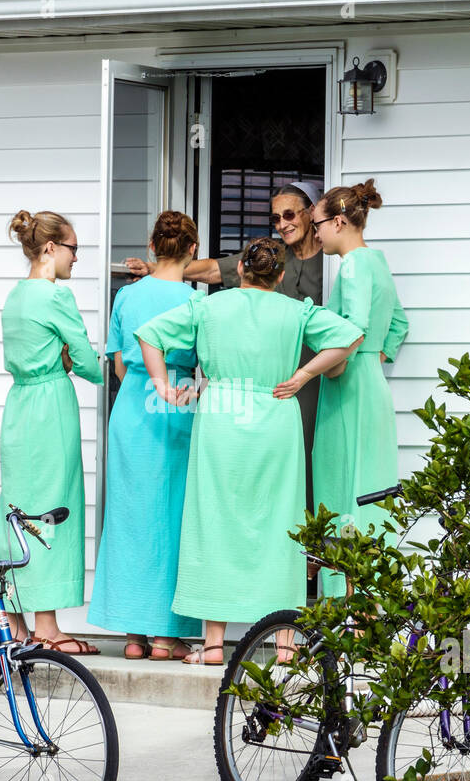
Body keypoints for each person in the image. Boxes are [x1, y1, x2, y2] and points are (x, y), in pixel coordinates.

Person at [135, 238, 363, 665]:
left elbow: (150, 335)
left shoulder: (207, 307)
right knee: (280, 522)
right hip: (276, 414)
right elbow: (349, 337)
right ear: (279, 276)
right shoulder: (296, 310)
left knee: (214, 520)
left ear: (239, 269)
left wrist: (165, 387)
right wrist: (303, 375)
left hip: (222, 415)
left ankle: (216, 644)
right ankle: (285, 646)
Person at [125, 182, 326, 512]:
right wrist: (159, 269)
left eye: (289, 214)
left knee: (313, 455)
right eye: (275, 218)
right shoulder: (270, 258)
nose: (282, 224)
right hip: (269, 380)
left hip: (314, 378)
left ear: (310, 213)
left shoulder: (331, 259)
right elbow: (214, 269)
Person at [88, 211, 203, 661]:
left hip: (132, 406)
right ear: (192, 250)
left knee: (131, 517)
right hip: (175, 401)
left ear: (153, 248)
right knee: (171, 518)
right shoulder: (197, 303)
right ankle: (165, 636)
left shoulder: (126, 296)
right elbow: (205, 367)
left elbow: (117, 366)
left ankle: (134, 634)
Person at [0, 209, 104, 654]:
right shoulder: (55, 298)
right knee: (53, 509)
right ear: (50, 249)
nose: (76, 258)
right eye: (73, 248)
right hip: (50, 407)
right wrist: (75, 361)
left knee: (19, 506)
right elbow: (87, 362)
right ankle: (48, 627)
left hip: (18, 408)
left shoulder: (15, 297)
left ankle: (17, 621)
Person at [309, 179, 409, 600]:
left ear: (339, 221)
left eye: (317, 224)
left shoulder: (351, 266)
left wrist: (339, 366)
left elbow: (352, 327)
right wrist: (374, 358)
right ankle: (371, 600)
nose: (315, 233)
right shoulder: (378, 262)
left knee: (340, 485)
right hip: (372, 386)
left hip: (348, 387)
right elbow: (399, 325)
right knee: (369, 487)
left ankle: (342, 605)